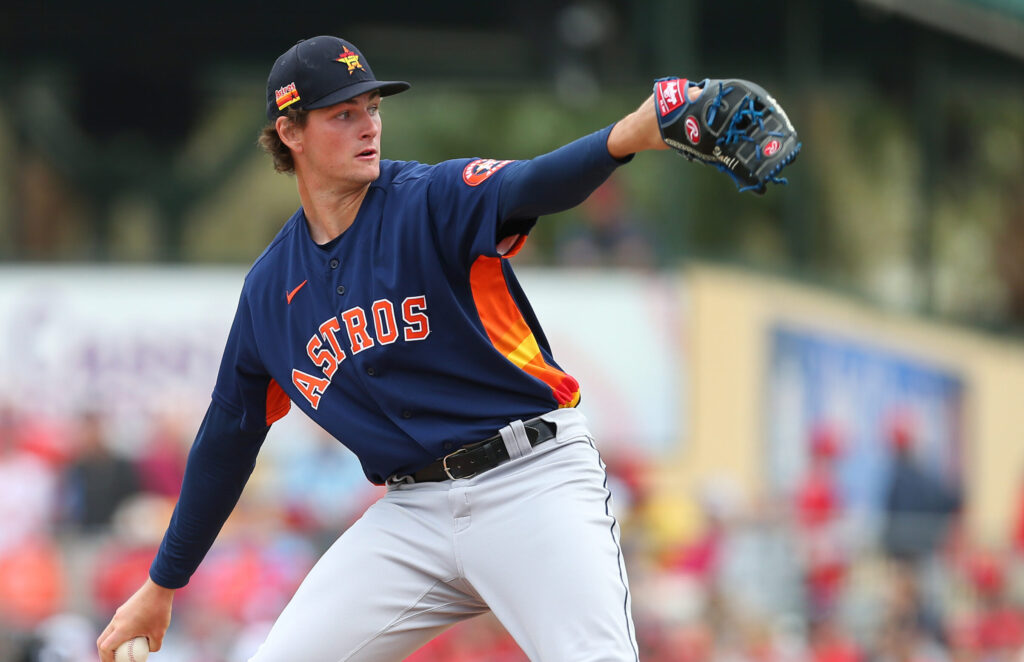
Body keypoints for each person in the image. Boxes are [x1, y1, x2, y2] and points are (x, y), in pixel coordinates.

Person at [97, 35, 704, 662]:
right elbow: (228, 436)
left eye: (372, 108)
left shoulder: (429, 199)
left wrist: (632, 133)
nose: (369, 127)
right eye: (344, 114)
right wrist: (161, 584)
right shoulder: (270, 291)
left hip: (531, 481)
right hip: (412, 513)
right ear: (291, 132)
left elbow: (532, 184)